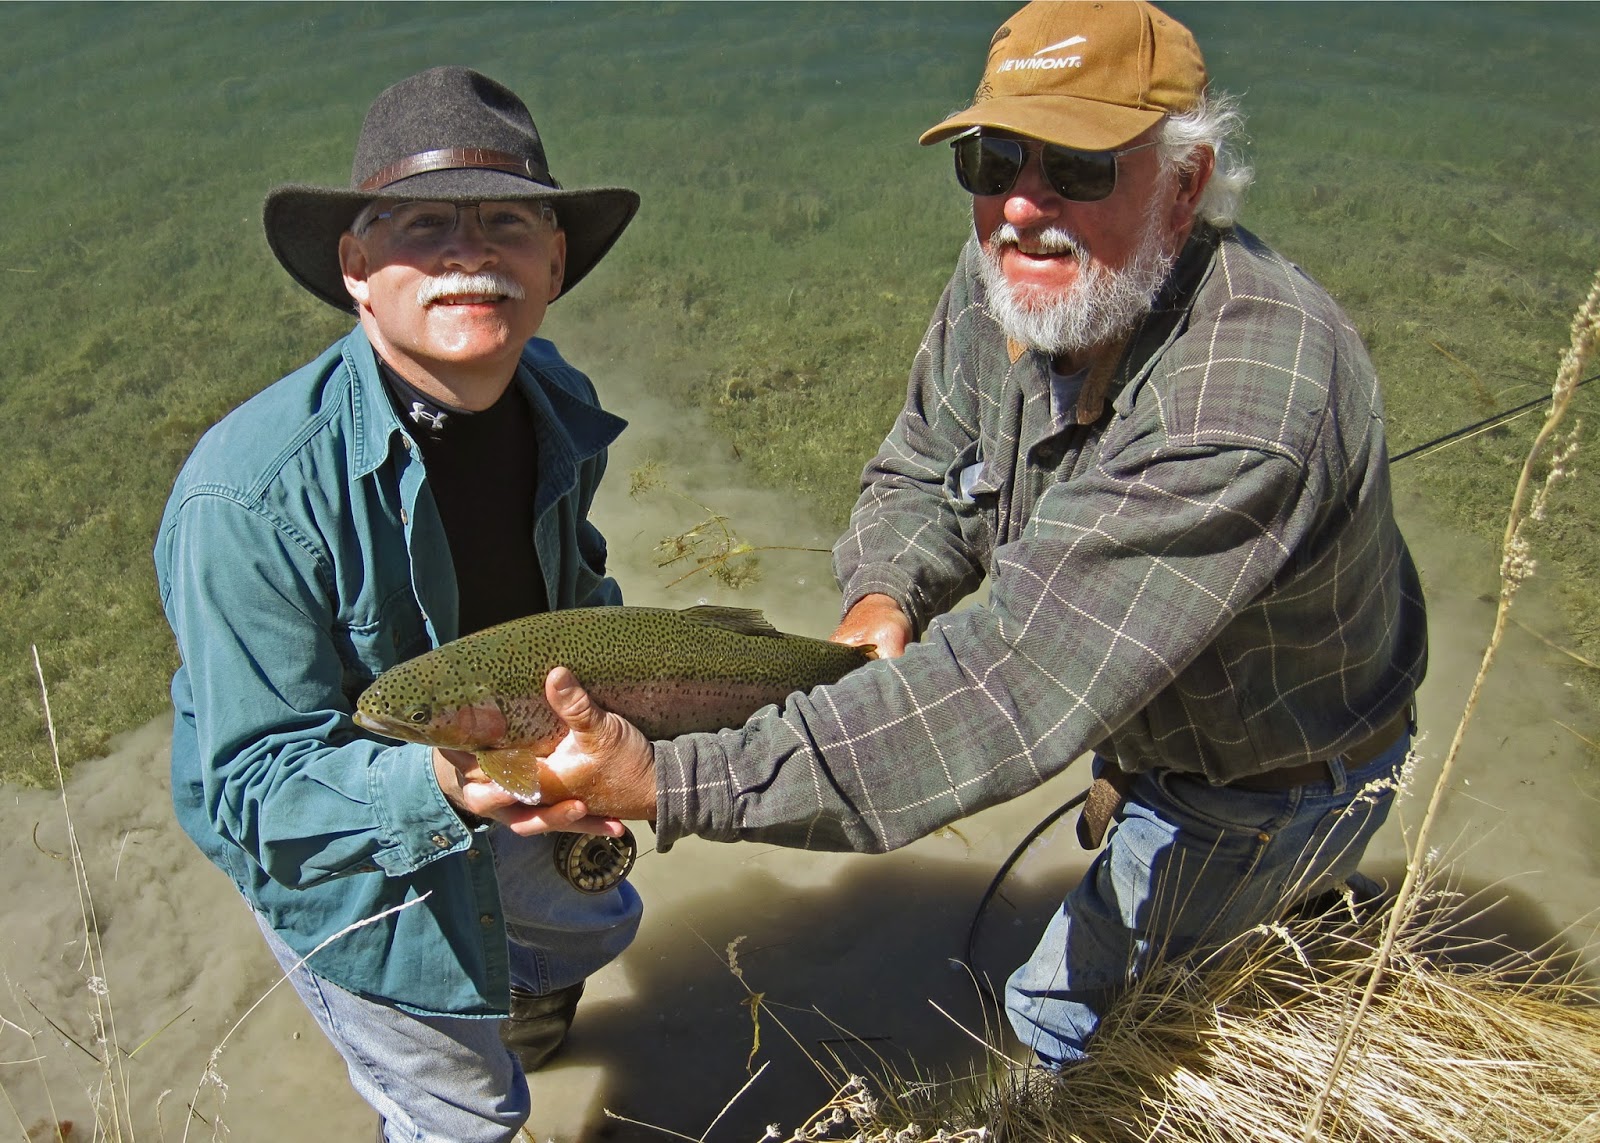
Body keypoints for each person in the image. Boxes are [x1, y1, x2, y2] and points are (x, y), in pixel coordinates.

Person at [491, 0, 1428, 1070]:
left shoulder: (1244, 408)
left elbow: (1002, 693)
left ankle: (1291, 897)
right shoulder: (1019, 275)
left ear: (1185, 182)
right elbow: (926, 465)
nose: (1023, 204)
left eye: (1078, 167)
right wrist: (886, 593)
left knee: (1050, 1026)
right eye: (991, 160)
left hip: (1266, 768)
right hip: (1147, 720)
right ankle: (1263, 911)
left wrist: (668, 783)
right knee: (1143, 885)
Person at [154, 66, 644, 1140]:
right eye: (424, 227)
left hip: (509, 766)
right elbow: (255, 792)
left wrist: (603, 725)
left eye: (508, 224)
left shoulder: (554, 395)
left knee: (598, 923)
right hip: (342, 850)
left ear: (553, 262)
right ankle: (471, 1056)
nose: (471, 255)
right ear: (358, 270)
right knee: (465, 1119)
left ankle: (523, 1007)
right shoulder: (246, 497)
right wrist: (451, 782)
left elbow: (578, 582)